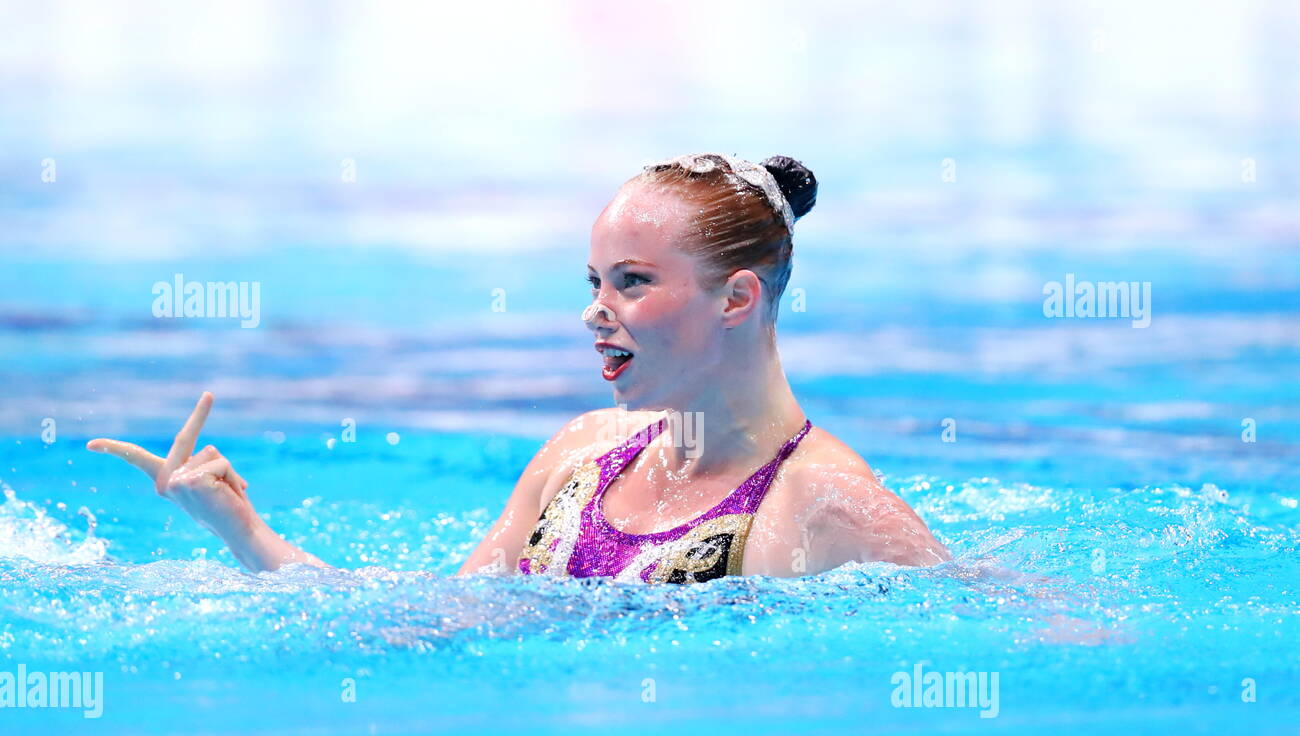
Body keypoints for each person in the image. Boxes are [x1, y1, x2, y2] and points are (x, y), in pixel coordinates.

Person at [88, 153, 949, 582]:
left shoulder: (826, 504)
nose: (594, 311)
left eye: (634, 283)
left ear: (736, 299)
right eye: (594, 282)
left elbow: (1016, 623)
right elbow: (430, 631)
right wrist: (243, 531)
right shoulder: (581, 455)